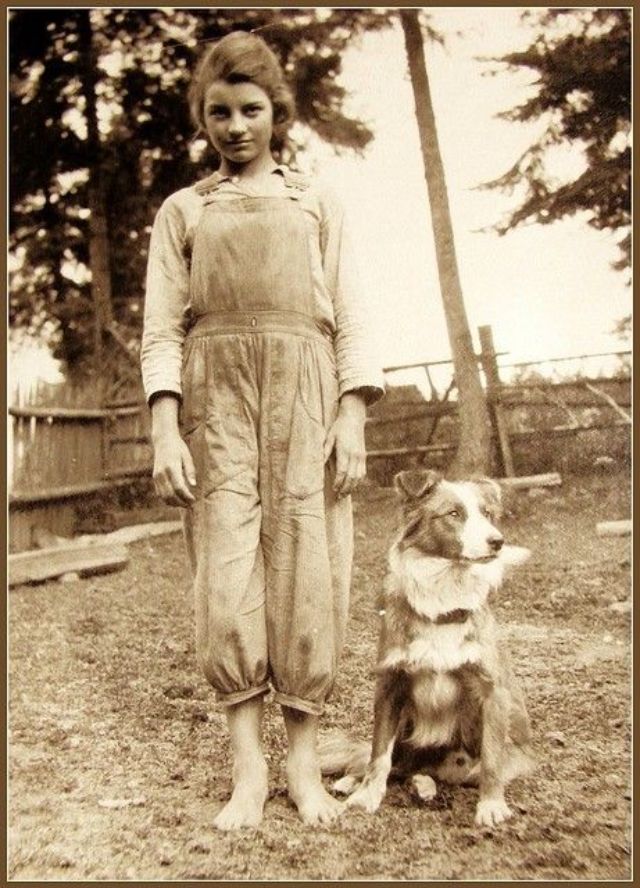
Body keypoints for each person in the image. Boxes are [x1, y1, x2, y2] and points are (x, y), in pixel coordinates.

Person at [140, 30, 384, 830]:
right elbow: (160, 333)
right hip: (218, 409)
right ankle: (249, 773)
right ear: (202, 119)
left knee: (310, 574)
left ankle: (305, 768)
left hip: (307, 397)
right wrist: (166, 430)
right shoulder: (183, 210)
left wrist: (351, 415)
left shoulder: (317, 200)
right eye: (219, 112)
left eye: (251, 110)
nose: (236, 125)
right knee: (226, 579)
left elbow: (351, 313)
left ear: (277, 114)